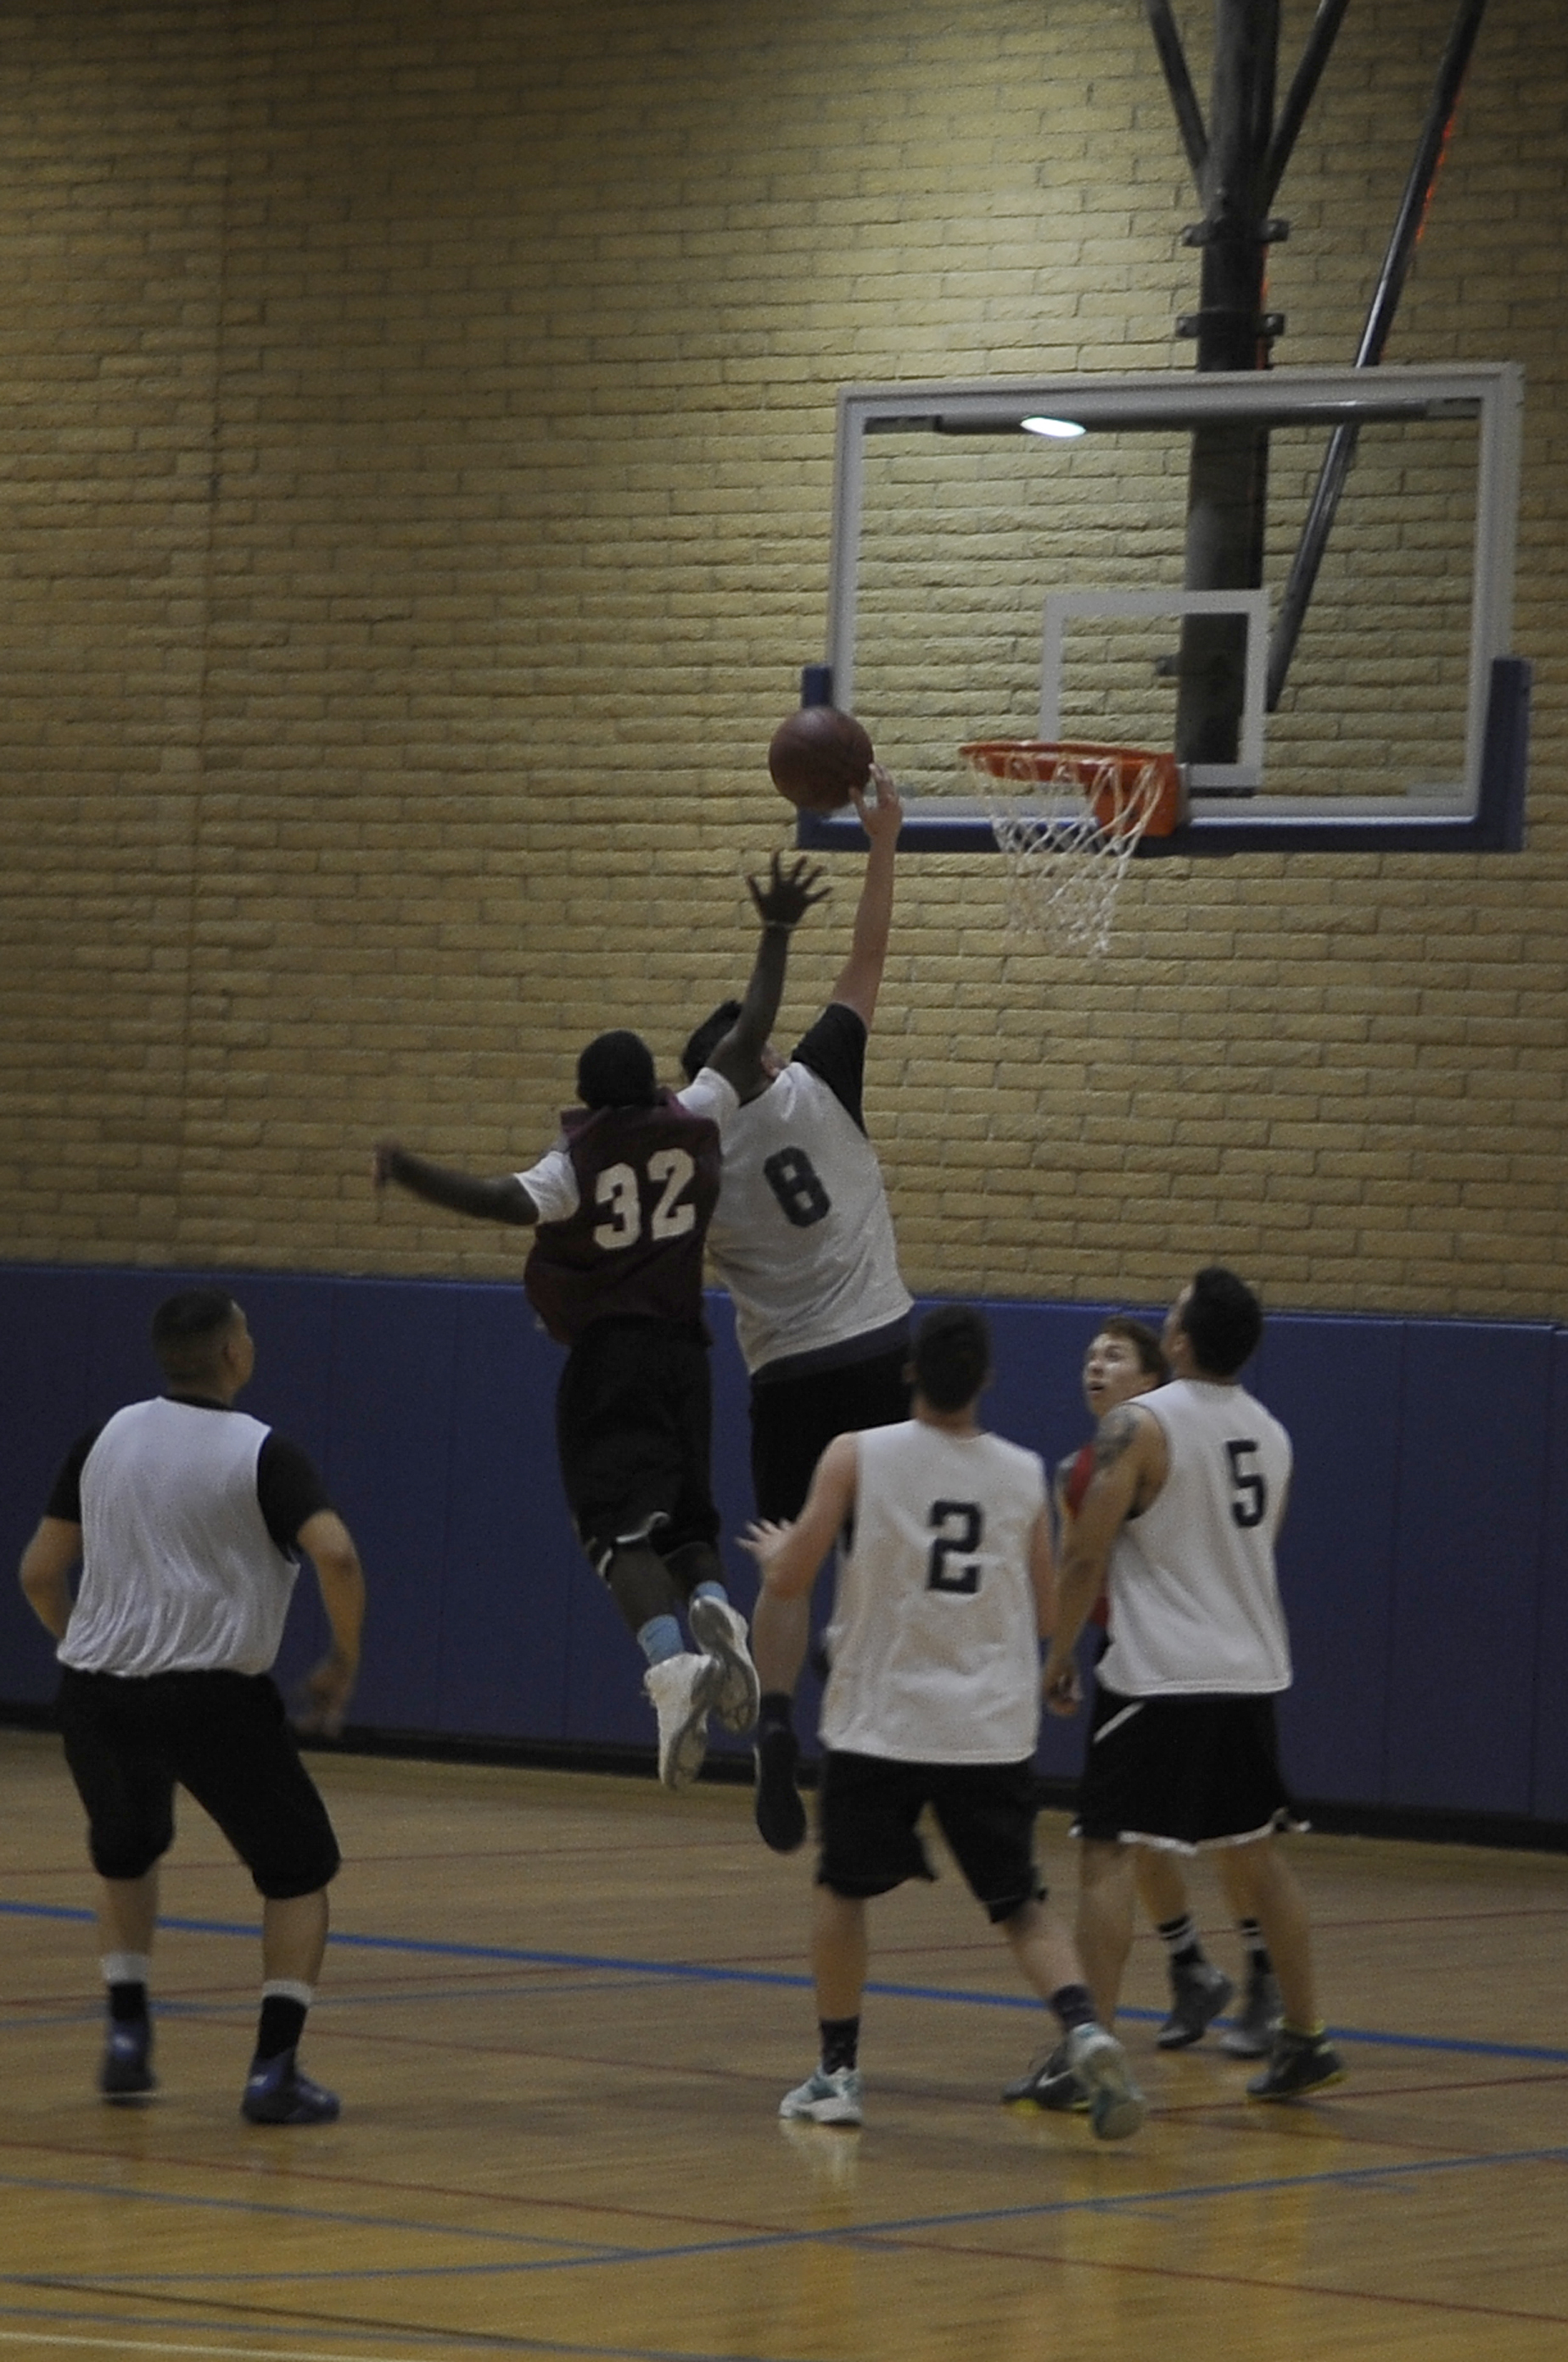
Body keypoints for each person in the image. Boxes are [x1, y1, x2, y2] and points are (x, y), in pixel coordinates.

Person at [374, 854, 825, 1793]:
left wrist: (411, 1172)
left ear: (587, 1096)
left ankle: (672, 1662)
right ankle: (713, 1609)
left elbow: (499, 1199)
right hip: (688, 1355)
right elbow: (746, 1038)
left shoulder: (573, 1165)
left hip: (611, 1360)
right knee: (686, 1518)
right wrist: (775, 930)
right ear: (652, 1083)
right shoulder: (694, 1113)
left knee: (615, 1533)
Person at [742, 1304, 1145, 2141]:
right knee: (1021, 1907)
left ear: (910, 1371)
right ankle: (1085, 2029)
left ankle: (838, 2072)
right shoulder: (1020, 1471)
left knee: (842, 1890)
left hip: (881, 1721)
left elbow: (793, 1578)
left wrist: (776, 1551)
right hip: (988, 1729)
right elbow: (1043, 1610)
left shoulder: (856, 1454)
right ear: (986, 1380)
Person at [17, 1288, 367, 2125]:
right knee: (298, 1872)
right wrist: (342, 1662)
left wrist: (83, 1644)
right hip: (210, 1694)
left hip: (96, 1693)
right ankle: (273, 2071)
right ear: (233, 1355)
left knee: (126, 1853)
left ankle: (128, 2035)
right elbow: (338, 1554)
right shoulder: (263, 1453)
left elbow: (37, 1570)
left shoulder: (101, 1439)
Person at [1038, 1267, 1343, 2103]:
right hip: (1248, 1672)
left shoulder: (1136, 1426)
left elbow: (1086, 1552)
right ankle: (1307, 2036)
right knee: (1256, 1857)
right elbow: (1259, 1547)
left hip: (1157, 1676)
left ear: (1179, 1341)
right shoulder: (1272, 1432)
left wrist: (1058, 1654)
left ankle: (1087, 2058)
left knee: (1105, 1853)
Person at [680, 764, 912, 1851]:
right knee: (885, 1554)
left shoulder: (695, 1160)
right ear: (766, 1053)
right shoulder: (821, 1074)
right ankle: (871, 1734)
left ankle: (775, 1727)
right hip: (877, 1350)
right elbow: (866, 960)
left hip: (786, 1377)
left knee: (786, 1558)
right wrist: (883, 842)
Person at [1010, 1314, 1282, 2113]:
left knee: (1207, 1839)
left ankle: (1258, 1974)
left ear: (1158, 1371)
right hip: (1141, 1657)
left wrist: (1053, 1660)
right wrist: (1065, 1646)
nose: (1096, 1364)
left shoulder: (1170, 1439)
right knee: (1144, 1835)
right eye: (1089, 1353)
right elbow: (1079, 1568)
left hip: (1195, 1661)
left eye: (1116, 1354)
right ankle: (1195, 1967)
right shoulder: (1079, 1467)